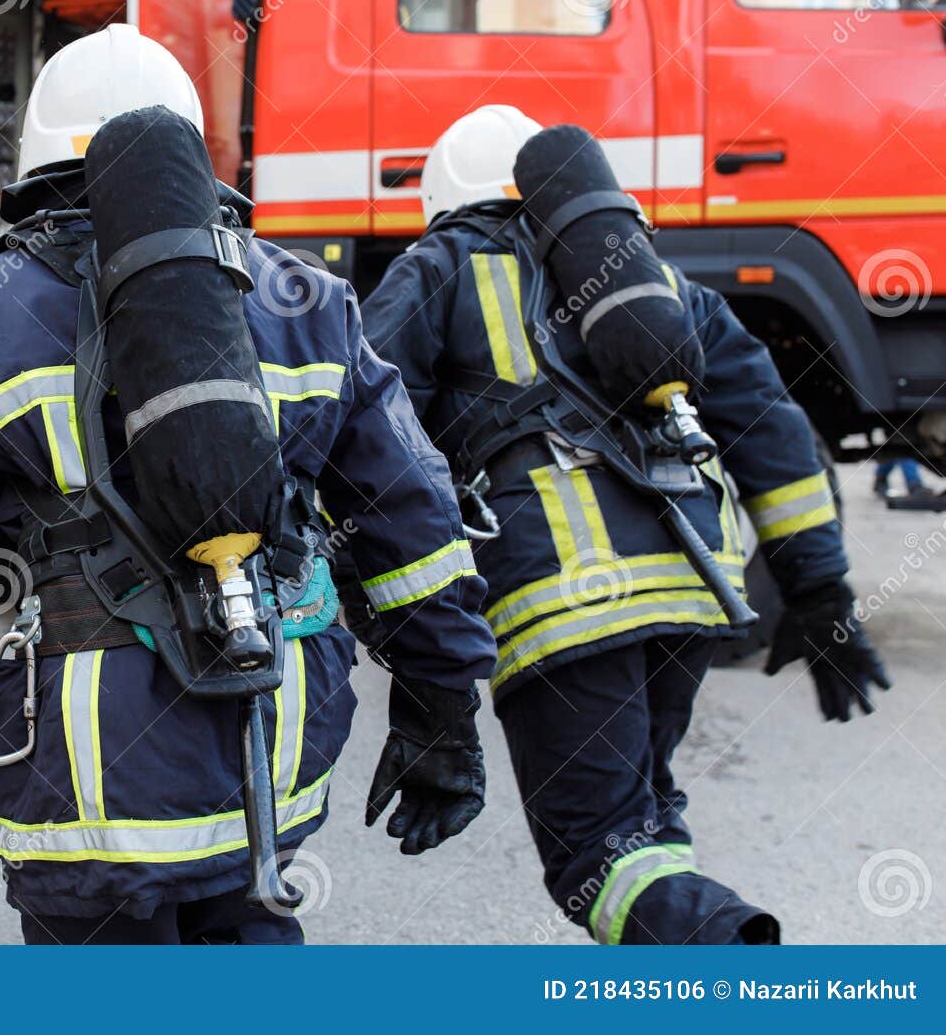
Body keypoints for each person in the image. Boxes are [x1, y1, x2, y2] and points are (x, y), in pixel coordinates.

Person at [0, 24, 497, 945]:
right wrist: (442, 709)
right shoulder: (304, 299)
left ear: (35, 162)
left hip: (85, 785)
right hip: (269, 749)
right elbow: (414, 524)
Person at [360, 104, 890, 945]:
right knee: (643, 828)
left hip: (566, 602)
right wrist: (819, 589)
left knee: (598, 860)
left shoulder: (439, 267)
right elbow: (775, 432)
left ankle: (739, 966)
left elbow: (370, 444)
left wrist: (419, 666)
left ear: (446, 200)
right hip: (691, 595)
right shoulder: (658, 286)